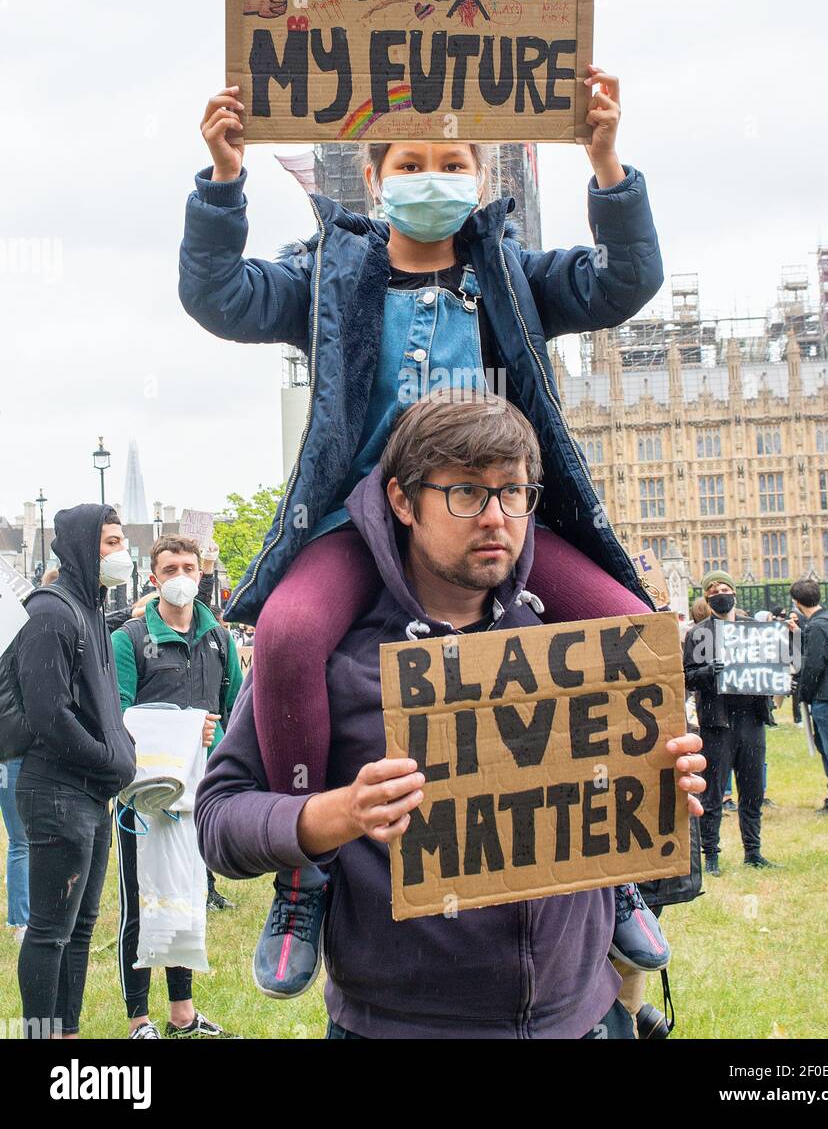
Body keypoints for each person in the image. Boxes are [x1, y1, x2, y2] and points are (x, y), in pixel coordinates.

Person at [180, 69, 666, 989]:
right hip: (360, 515)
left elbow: (625, 283)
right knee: (287, 634)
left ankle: (615, 858)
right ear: (375, 179)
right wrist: (221, 183)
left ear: (483, 178)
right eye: (411, 161)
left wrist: (608, 168)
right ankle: (302, 871)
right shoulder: (330, 274)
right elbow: (222, 299)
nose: (432, 176)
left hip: (491, 512)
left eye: (453, 161)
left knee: (624, 629)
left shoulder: (510, 275)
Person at [195, 393, 706, 1039]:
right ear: (404, 502)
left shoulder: (577, 635)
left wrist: (661, 778)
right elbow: (217, 818)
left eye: (514, 492)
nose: (496, 517)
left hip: (583, 1017)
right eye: (466, 492)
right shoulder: (332, 650)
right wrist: (334, 814)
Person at [112, 534, 243, 1040]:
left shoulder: (219, 639)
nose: (181, 575)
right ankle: (138, 1019)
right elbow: (120, 715)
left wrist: (218, 751)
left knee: (186, 896)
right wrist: (187, 727)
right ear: (154, 576)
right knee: (142, 899)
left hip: (198, 793)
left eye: (189, 566)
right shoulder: (129, 639)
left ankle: (183, 1014)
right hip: (144, 795)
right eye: (170, 568)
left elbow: (234, 709)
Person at [14, 506, 136, 1039]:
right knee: (48, 931)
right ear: (85, 546)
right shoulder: (52, 613)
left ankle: (67, 1035)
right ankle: (41, 1036)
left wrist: (120, 750)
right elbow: (49, 714)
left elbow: (99, 702)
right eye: (110, 542)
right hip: (56, 792)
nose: (119, 553)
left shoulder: (90, 609)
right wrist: (110, 758)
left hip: (92, 794)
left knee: (80, 928)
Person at [683, 572, 775, 876]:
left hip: (751, 719)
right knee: (712, 791)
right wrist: (709, 670)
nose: (721, 594)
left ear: (734, 593)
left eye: (725, 589)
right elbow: (687, 676)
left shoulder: (754, 630)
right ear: (707, 598)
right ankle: (711, 854)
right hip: (717, 721)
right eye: (714, 591)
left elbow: (776, 666)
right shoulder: (699, 634)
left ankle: (754, 851)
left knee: (752, 789)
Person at [791, 579, 828, 815]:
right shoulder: (827, 620)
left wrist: (802, 693)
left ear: (797, 602)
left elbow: (814, 665)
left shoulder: (818, 626)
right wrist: (799, 633)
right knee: (827, 746)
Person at [1, 757, 29, 943]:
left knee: (21, 843)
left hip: (9, 761)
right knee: (21, 843)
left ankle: (23, 921)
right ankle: (22, 923)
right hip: (11, 761)